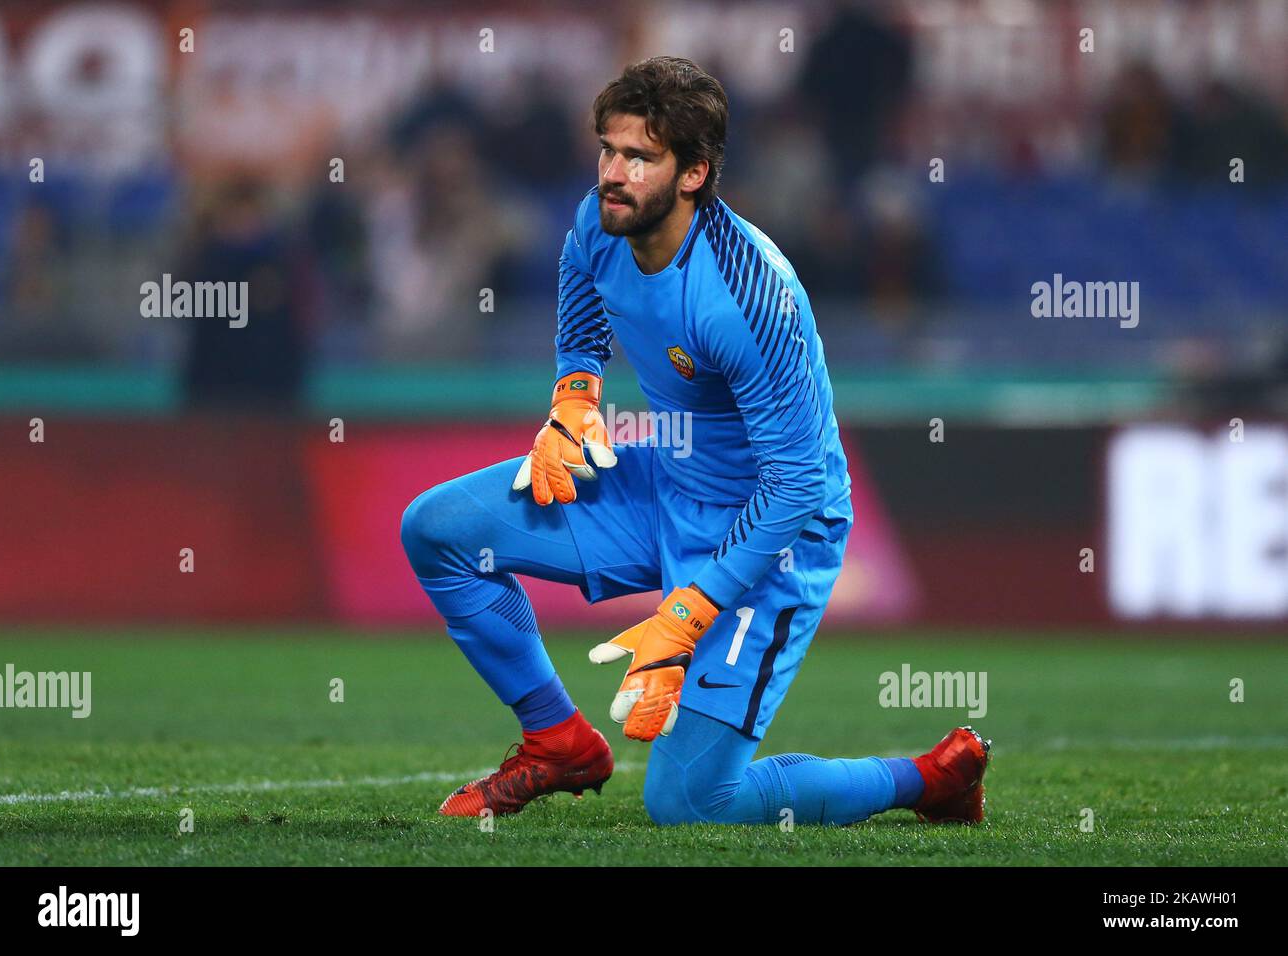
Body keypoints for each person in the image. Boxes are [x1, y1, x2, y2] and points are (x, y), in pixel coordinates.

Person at [401, 57, 989, 825]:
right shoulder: (601, 218)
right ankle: (557, 740)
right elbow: (582, 278)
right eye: (608, 150)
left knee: (692, 804)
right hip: (663, 483)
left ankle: (927, 780)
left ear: (694, 175)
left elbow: (797, 487)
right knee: (438, 531)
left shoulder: (749, 296)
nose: (614, 173)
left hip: (770, 534)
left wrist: (688, 614)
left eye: (640, 158)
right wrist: (575, 393)